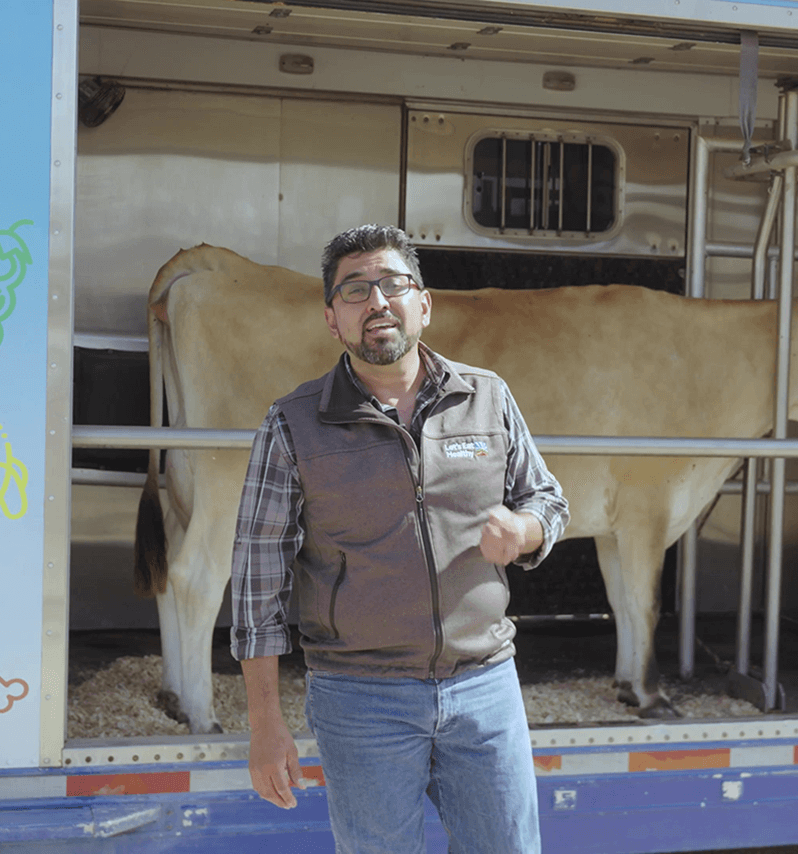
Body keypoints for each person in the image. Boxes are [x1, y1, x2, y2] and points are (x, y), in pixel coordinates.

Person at [229, 223, 570, 854]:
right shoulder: (292, 424)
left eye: (392, 284)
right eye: (355, 291)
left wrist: (524, 530)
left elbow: (547, 500)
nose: (377, 302)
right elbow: (257, 580)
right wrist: (265, 723)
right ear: (333, 319)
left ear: (424, 303)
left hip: (484, 688)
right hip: (360, 701)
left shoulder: (488, 398)